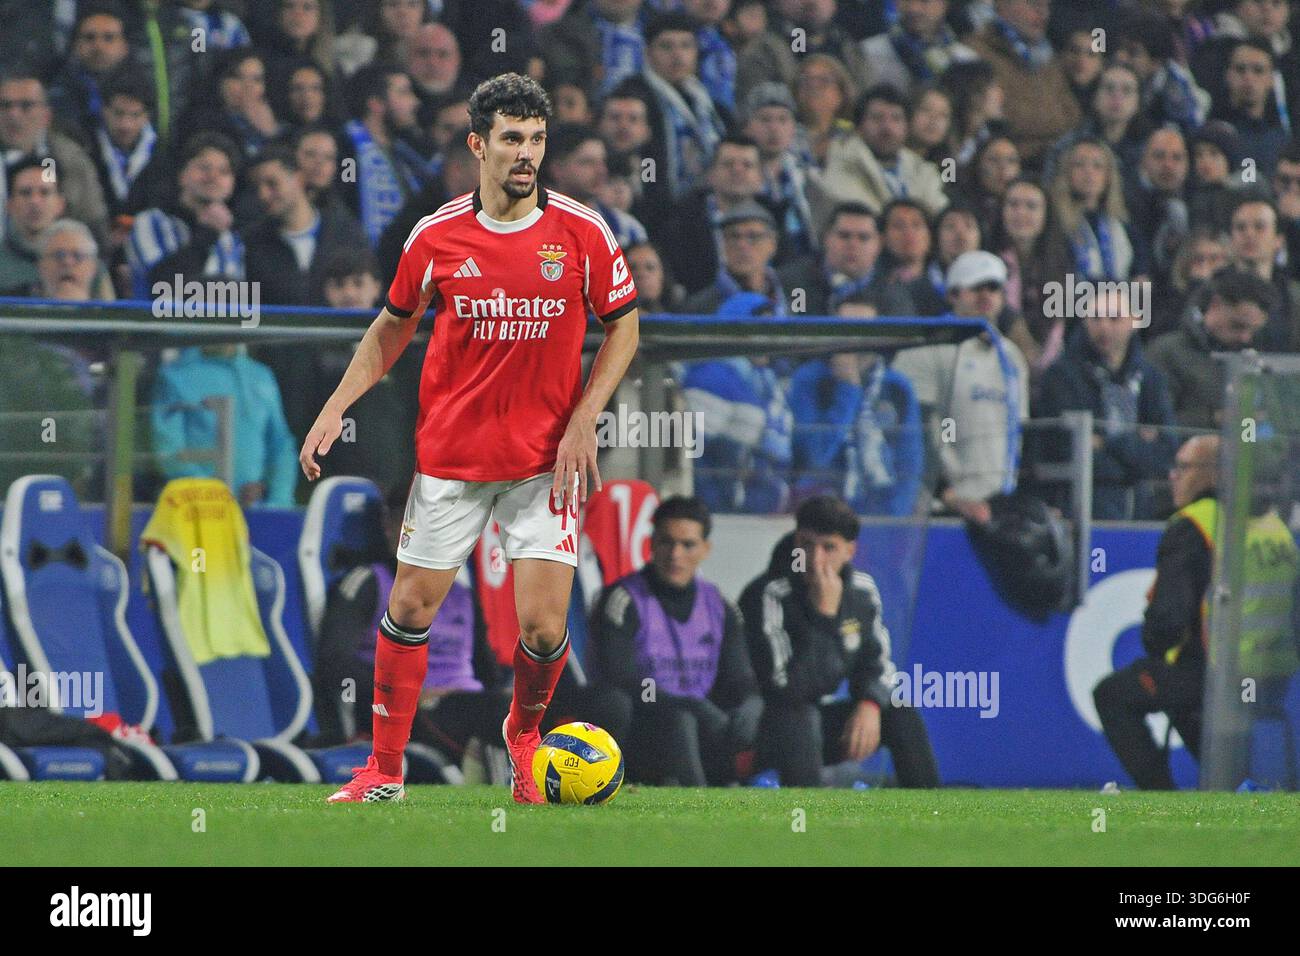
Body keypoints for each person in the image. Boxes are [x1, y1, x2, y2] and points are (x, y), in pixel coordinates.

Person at [299, 74, 640, 804]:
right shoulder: (437, 236)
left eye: (537, 139)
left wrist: (585, 417)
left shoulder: (582, 230)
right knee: (412, 607)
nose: (527, 154)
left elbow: (625, 325)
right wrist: (337, 405)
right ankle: (384, 773)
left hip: (545, 462)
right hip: (454, 458)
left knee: (546, 629)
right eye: (512, 139)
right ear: (478, 144)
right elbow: (392, 326)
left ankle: (523, 735)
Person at [1093, 434, 1298, 790]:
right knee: (1178, 692)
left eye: (1184, 467)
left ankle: (1161, 798)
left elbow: (1167, 620)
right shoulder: (1274, 526)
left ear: (1214, 474)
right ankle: (1235, 785)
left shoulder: (1197, 524)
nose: (1173, 476)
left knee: (1114, 695)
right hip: (1272, 678)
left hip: (1215, 676)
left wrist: (1155, 645)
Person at [740, 494, 940, 788]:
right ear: (795, 541)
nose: (815, 558)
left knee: (898, 713)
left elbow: (878, 663)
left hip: (815, 727)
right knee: (800, 716)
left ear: (850, 551)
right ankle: (812, 819)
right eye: (806, 544)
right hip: (761, 730)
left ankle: (931, 817)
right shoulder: (768, 595)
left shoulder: (861, 591)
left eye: (828, 547)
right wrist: (823, 618)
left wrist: (870, 702)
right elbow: (786, 690)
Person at [313, 485, 509, 776]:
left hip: (470, 704)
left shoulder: (461, 595)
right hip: (411, 710)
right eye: (404, 519)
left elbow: (486, 670)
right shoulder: (368, 583)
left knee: (528, 707)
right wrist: (406, 692)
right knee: (499, 715)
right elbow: (334, 659)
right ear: (387, 527)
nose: (413, 530)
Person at [588, 496, 762, 786]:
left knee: (780, 715)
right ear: (652, 544)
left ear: (706, 549)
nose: (675, 554)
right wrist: (692, 707)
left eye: (688, 545)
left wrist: (752, 705)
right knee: (671, 717)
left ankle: (794, 798)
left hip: (705, 725)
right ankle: (694, 802)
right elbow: (621, 678)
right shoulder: (622, 599)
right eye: (666, 542)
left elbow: (739, 676)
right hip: (642, 728)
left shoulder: (721, 606)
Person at [891, 250, 1029, 524]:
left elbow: (1019, 429)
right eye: (975, 288)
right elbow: (916, 428)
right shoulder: (926, 349)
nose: (986, 296)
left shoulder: (1012, 356)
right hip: (942, 505)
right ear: (953, 295)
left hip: (1001, 502)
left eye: (993, 288)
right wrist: (947, 492)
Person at [1034, 288, 1178, 520]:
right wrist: (1136, 445)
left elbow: (1166, 450)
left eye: (1114, 318)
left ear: (1134, 320)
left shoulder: (1151, 377)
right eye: (1096, 318)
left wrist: (1105, 442)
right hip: (1079, 503)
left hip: (1139, 506)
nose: (1104, 327)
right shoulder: (1062, 375)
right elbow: (1065, 447)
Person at [150, 344, 299, 508]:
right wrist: (220, 498)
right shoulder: (175, 376)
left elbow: (281, 446)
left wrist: (276, 503)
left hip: (256, 511)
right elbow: (169, 450)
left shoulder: (261, 375)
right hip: (197, 513)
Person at [1147, 267, 1277, 430]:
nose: (1245, 338)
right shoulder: (1167, 353)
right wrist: (1213, 419)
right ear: (1215, 305)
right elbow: (1152, 425)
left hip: (1244, 454)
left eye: (1253, 330)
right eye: (1237, 326)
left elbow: (1276, 430)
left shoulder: (1257, 360)